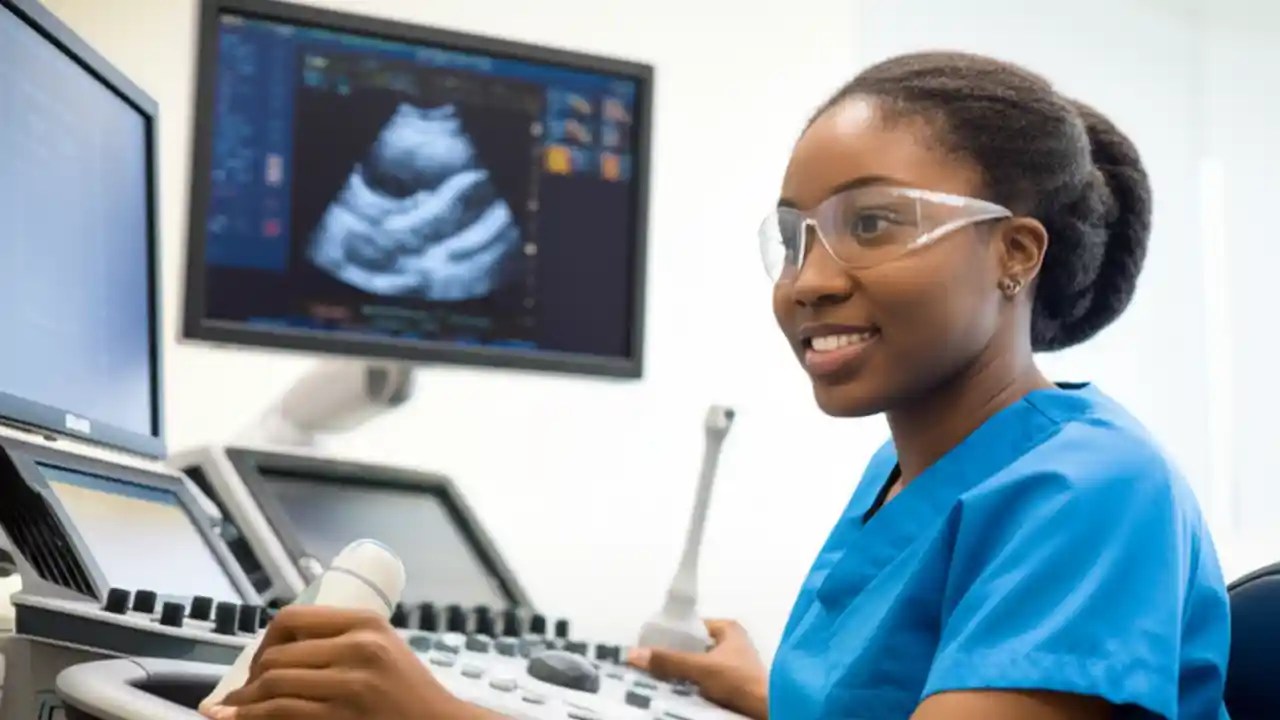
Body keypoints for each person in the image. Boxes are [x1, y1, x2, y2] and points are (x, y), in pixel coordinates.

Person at [200, 51, 1231, 720]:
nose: (808, 281)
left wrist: (447, 717)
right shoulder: (904, 474)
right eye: (793, 238)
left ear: (1015, 253)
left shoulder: (1094, 492)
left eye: (872, 223)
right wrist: (777, 700)